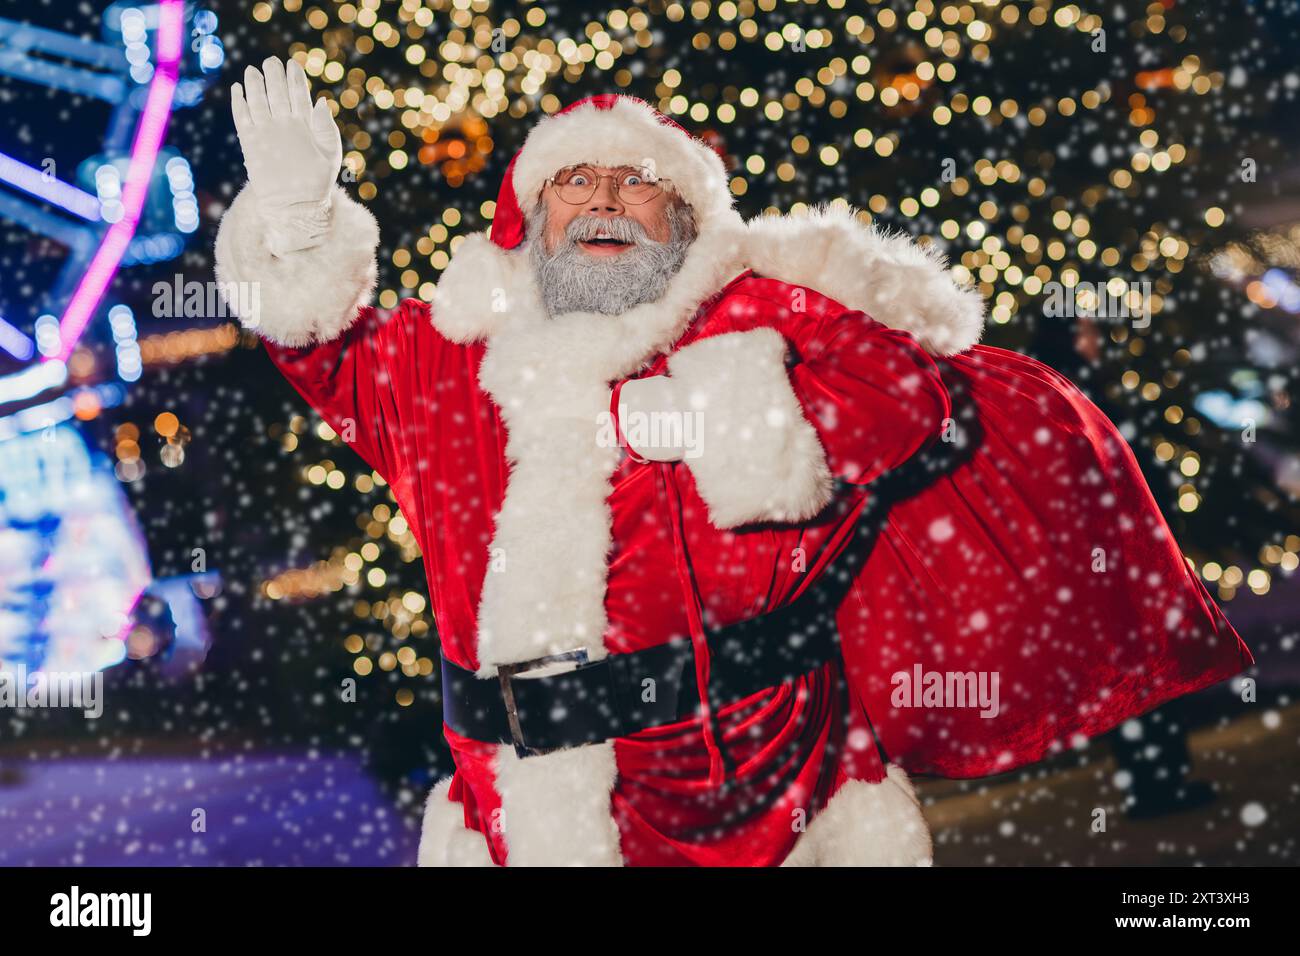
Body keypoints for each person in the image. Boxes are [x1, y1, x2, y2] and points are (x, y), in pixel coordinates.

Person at [214, 57, 1252, 866]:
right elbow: (317, 346)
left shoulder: (763, 317)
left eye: (641, 182)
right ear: (529, 216)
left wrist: (679, 418)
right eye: (576, 178)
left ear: (688, 220)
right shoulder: (443, 366)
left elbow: (909, 396)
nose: (607, 198)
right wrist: (299, 225)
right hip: (524, 814)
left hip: (769, 798)